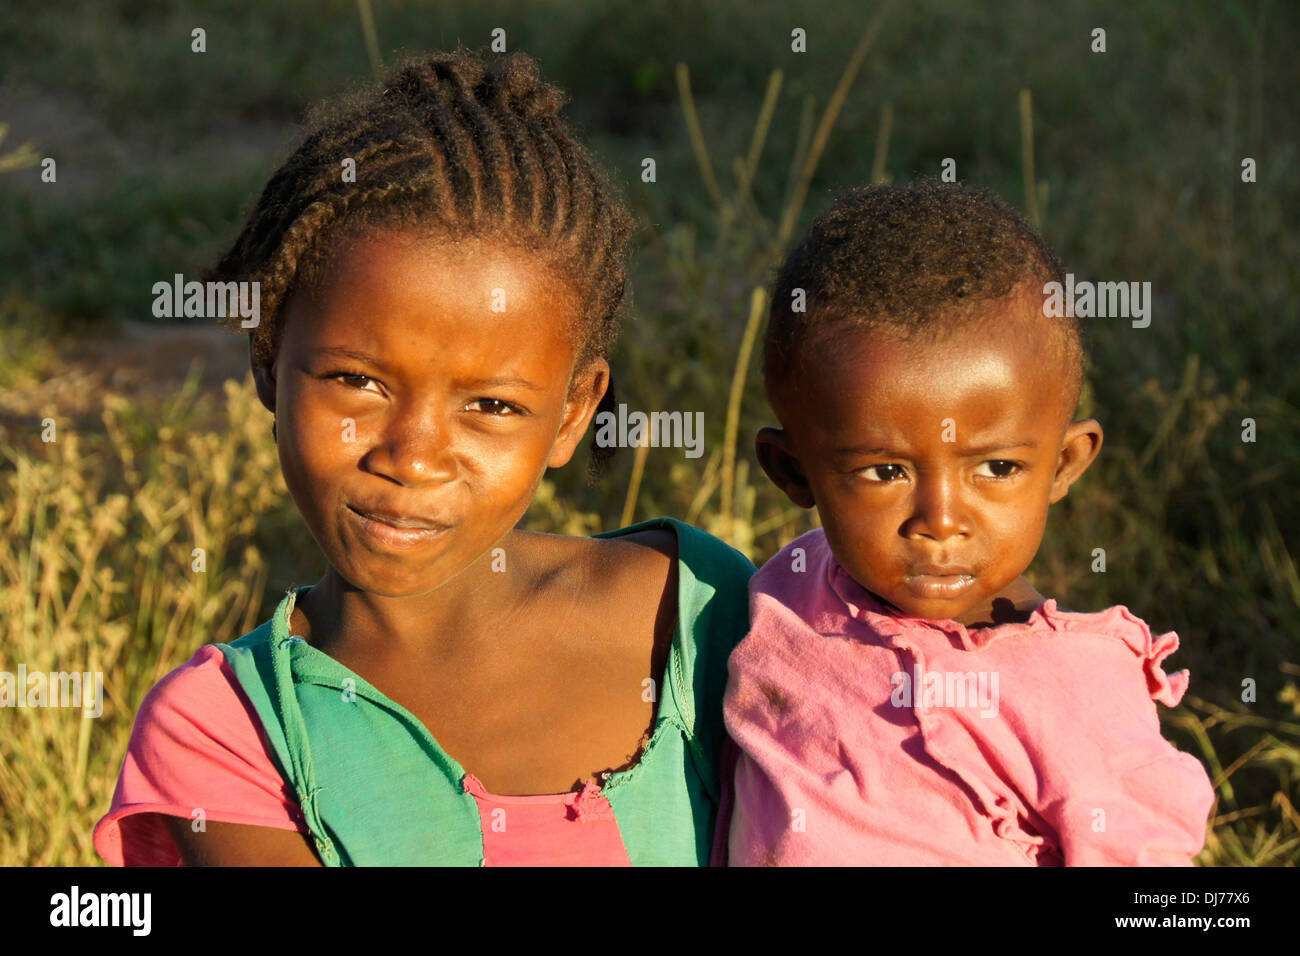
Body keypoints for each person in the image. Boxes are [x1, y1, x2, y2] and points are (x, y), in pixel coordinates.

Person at [93, 49, 753, 866]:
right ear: (268, 358)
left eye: (491, 406)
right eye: (357, 381)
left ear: (573, 414)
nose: (412, 458)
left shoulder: (694, 612)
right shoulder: (229, 731)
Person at [715, 178, 1215, 866]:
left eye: (997, 468)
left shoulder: (1078, 688)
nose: (941, 521)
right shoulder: (784, 598)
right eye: (885, 472)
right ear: (792, 472)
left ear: (1065, 463)